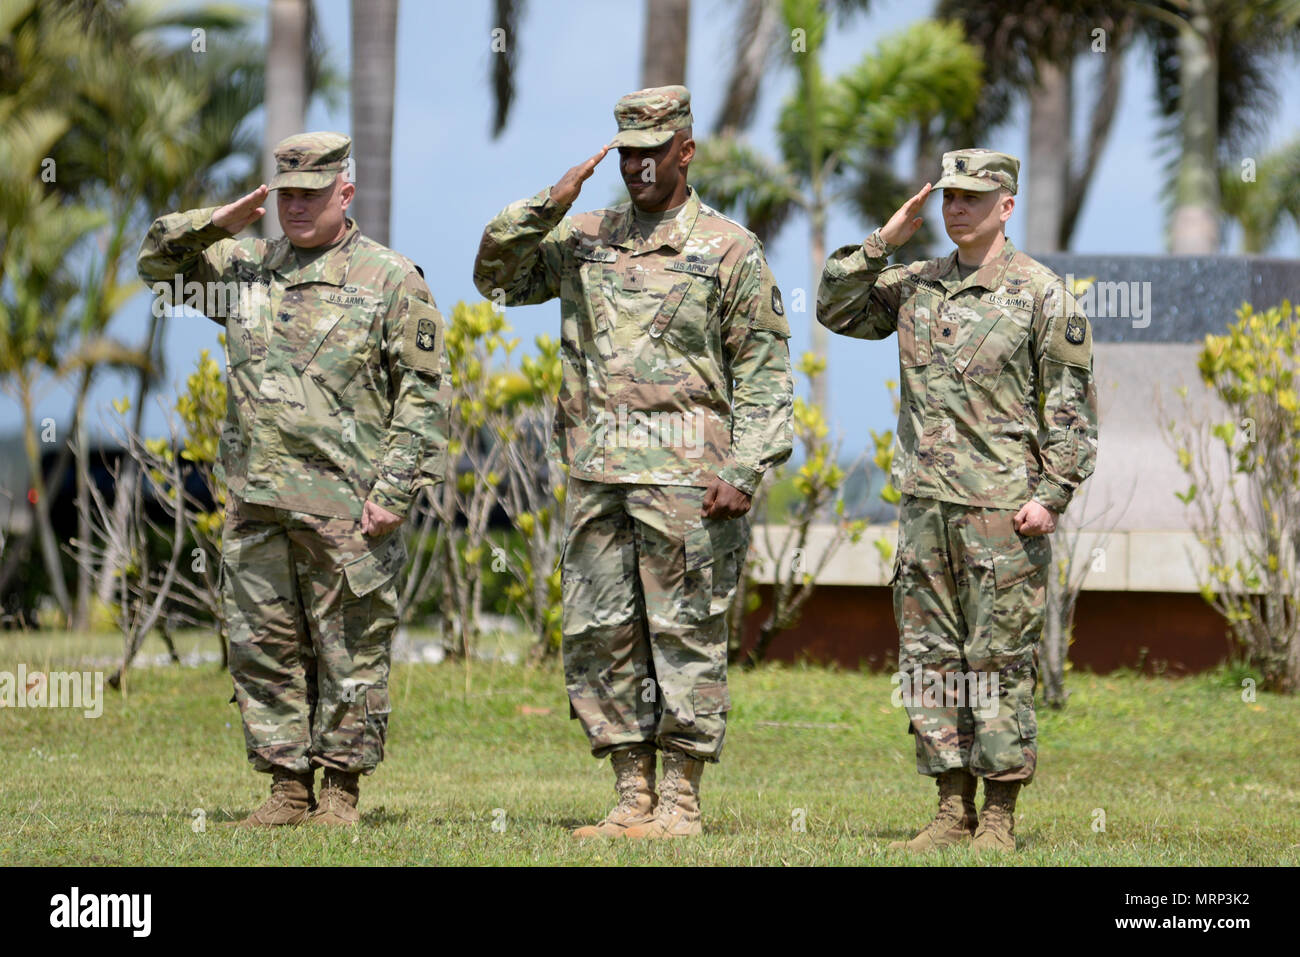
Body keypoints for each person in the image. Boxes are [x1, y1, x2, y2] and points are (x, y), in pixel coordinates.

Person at [473, 86, 793, 839]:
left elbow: (767, 375)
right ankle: (630, 798)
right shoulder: (582, 238)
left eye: (654, 151)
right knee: (601, 637)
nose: (639, 166)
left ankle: (679, 801)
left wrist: (744, 470)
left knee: (684, 638)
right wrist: (543, 207)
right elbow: (494, 277)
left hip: (690, 485)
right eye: (627, 153)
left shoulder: (727, 249)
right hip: (597, 476)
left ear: (687, 151)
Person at [137, 132, 450, 827]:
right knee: (261, 645)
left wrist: (394, 491)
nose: (298, 208)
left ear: (346, 189)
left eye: (312, 194)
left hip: (349, 505)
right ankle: (286, 786)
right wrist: (213, 224)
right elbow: (157, 266)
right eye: (286, 196)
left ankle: (339, 790)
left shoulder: (392, 278)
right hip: (257, 501)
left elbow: (424, 395)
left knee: (350, 648)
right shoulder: (244, 269)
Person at [817, 149, 1099, 852]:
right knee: (929, 659)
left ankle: (999, 816)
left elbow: (1070, 409)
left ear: (1006, 205)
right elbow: (834, 308)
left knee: (997, 660)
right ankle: (950, 808)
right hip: (925, 509)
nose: (956, 209)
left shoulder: (1043, 293)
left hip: (1003, 513)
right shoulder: (916, 284)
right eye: (948, 197)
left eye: (972, 197)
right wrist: (885, 241)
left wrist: (1052, 495)